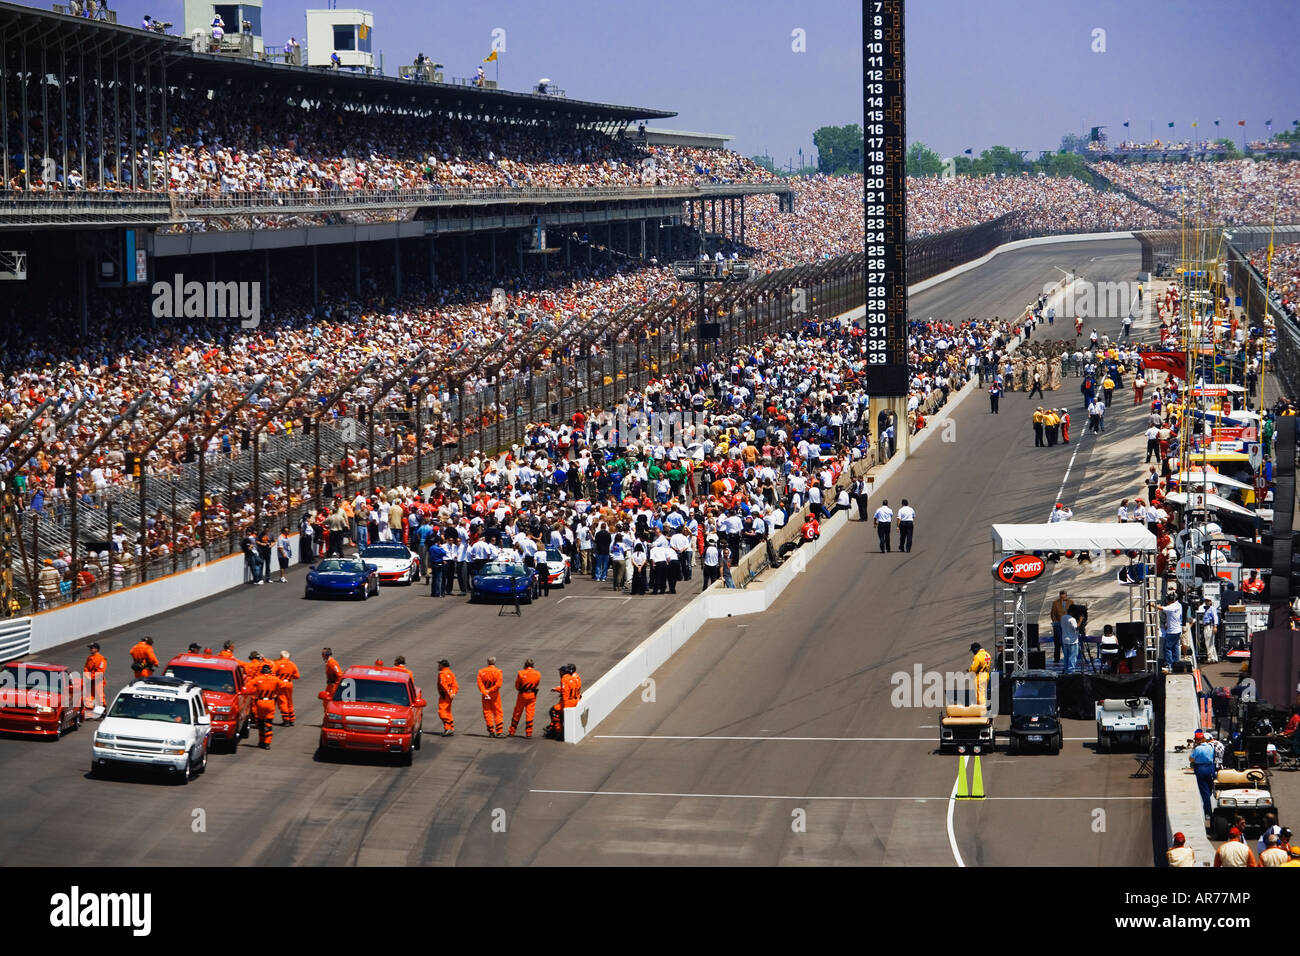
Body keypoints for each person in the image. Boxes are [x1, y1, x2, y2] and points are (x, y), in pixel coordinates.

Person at [244, 664, 288, 749]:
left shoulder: (258, 679)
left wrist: (254, 693)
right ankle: (267, 743)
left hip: (260, 702)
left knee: (260, 722)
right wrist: (277, 692)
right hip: (270, 702)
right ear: (270, 671)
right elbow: (284, 685)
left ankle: (261, 741)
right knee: (268, 723)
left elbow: (248, 686)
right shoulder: (275, 679)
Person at [509, 658, 541, 738]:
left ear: (525, 664)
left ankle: (512, 731)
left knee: (517, 713)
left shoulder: (520, 673)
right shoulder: (537, 674)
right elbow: (537, 684)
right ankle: (529, 733)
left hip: (522, 695)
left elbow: (517, 685)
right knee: (530, 713)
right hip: (532, 695)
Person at [1152, 594, 1184, 672]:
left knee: (1167, 648)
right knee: (1175, 647)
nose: (1167, 603)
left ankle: (1169, 665)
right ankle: (1176, 663)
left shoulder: (1172, 607)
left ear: (1171, 601)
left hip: (1172, 631)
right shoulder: (1179, 605)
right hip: (1177, 630)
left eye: (1168, 601)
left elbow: (1162, 608)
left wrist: (1152, 605)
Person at [1189, 731, 1216, 823]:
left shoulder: (1198, 749)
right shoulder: (1211, 747)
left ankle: (1208, 812)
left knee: (1204, 793)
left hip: (1201, 769)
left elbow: (1191, 758)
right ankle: (1207, 806)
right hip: (1211, 769)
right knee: (1209, 791)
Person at [477, 657, 504, 737]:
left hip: (485, 694)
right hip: (494, 694)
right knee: (497, 712)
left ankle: (491, 731)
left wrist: (485, 692)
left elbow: (480, 684)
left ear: (487, 662)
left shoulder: (481, 672)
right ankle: (499, 731)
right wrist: (491, 690)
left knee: (487, 712)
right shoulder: (498, 672)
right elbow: (498, 685)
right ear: (494, 662)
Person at [272, 650, 300, 725]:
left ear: (281, 656)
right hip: (289, 683)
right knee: (289, 701)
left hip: (281, 684)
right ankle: (292, 719)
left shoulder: (277, 664)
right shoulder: (292, 664)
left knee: (282, 701)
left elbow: (272, 673)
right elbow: (297, 676)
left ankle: (286, 720)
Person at [83, 642, 107, 716]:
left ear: (96, 649)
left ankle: (102, 711)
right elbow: (86, 668)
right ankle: (89, 710)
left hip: (98, 681)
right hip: (90, 680)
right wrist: (87, 676)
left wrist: (91, 677)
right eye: (90, 648)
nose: (90, 649)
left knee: (99, 695)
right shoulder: (89, 658)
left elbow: (100, 671)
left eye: (92, 648)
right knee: (88, 695)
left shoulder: (101, 659)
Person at [436, 659, 458, 736]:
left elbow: (443, 684)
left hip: (444, 695)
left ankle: (448, 728)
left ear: (442, 665)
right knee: (448, 711)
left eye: (439, 664)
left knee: (442, 711)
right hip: (449, 696)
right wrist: (453, 693)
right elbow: (455, 685)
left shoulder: (442, 673)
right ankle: (450, 728)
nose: (438, 666)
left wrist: (448, 692)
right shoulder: (451, 673)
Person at [968, 642, 992, 707]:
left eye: (973, 651)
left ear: (975, 649)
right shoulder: (988, 654)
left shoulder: (977, 656)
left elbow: (973, 669)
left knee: (979, 694)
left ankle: (982, 709)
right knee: (983, 692)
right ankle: (982, 708)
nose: (973, 652)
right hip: (986, 675)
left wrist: (969, 670)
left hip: (979, 676)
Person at [1050, 589, 1069, 664]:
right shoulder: (1055, 603)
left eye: (1064, 597)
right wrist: (1055, 621)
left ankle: (1067, 657)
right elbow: (1053, 614)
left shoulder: (1070, 602)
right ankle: (1056, 658)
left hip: (1067, 626)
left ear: (1066, 596)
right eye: (1061, 597)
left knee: (1066, 642)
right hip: (1058, 625)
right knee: (1057, 642)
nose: (1063, 599)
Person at [1060, 606, 1081, 675]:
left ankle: (1066, 670)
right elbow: (1076, 628)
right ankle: (1071, 671)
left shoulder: (1063, 617)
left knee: (1066, 656)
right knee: (1072, 657)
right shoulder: (1072, 619)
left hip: (1065, 640)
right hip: (1072, 641)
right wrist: (1080, 621)